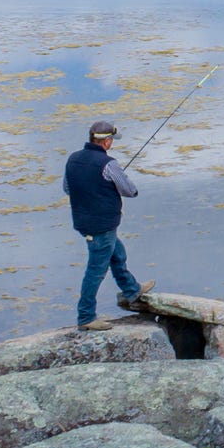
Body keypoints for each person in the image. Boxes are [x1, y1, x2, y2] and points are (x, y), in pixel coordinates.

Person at [64, 119, 154, 331]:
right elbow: (130, 191)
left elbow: (68, 188)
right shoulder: (108, 164)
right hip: (102, 224)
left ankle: (132, 290)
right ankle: (86, 316)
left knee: (117, 253)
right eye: (112, 139)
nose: (112, 143)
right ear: (106, 142)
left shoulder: (72, 159)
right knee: (96, 270)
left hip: (83, 222)